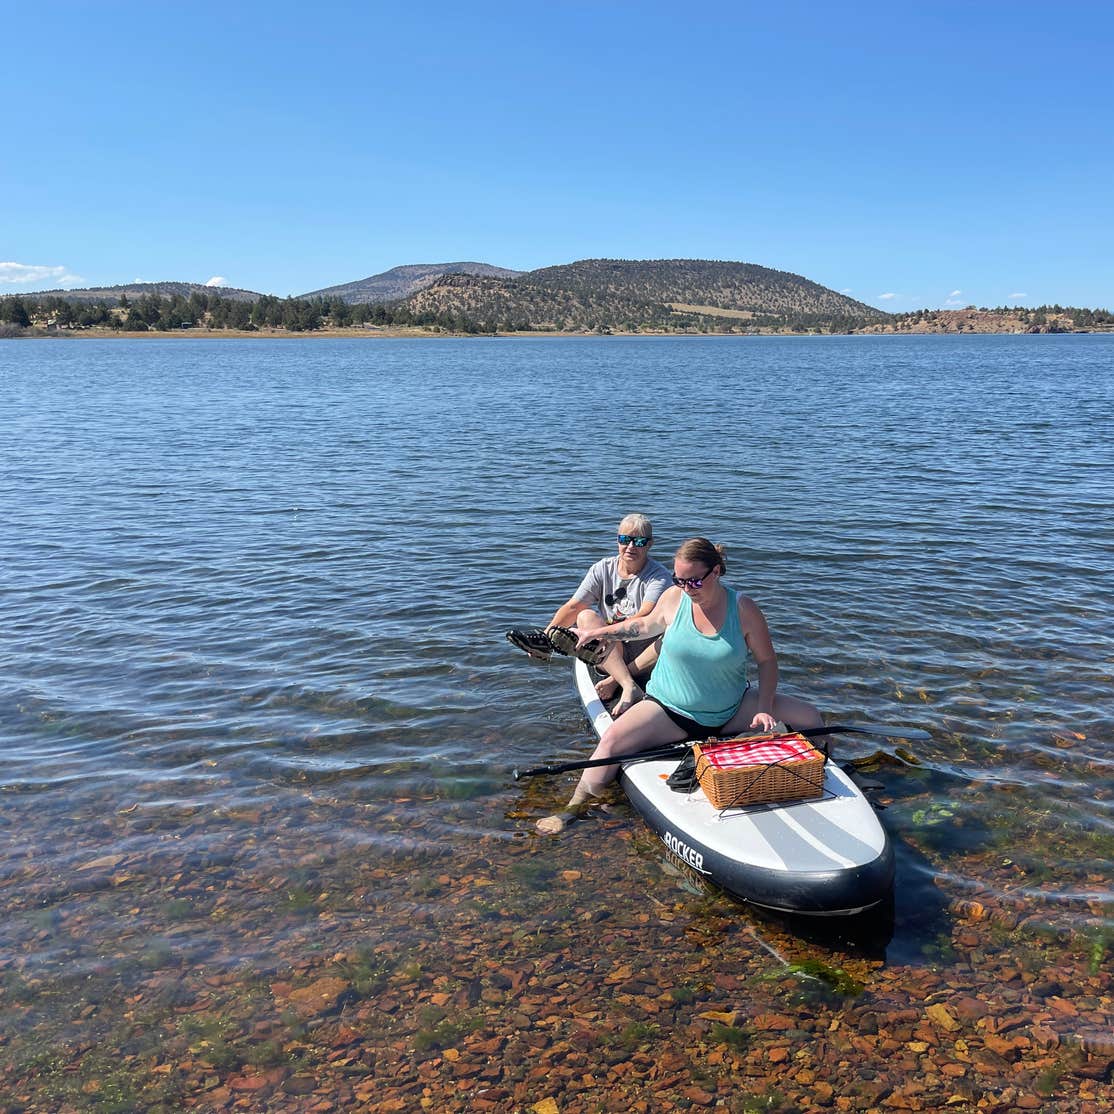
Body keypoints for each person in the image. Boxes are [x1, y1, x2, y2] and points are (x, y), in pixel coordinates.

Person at [536, 536, 823, 834]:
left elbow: (767, 662)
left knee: (811, 717)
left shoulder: (744, 609)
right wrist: (601, 632)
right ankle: (573, 809)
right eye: (679, 580)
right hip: (670, 711)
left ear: (716, 572)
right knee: (610, 743)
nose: (687, 589)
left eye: (694, 582)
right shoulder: (674, 598)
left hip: (732, 708)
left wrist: (764, 709)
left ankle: (828, 777)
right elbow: (644, 626)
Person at [506, 514, 672, 716]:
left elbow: (644, 617)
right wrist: (546, 637)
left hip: (644, 649)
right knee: (585, 616)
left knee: (671, 633)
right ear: (617, 540)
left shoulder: (659, 576)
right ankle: (627, 683)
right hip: (611, 648)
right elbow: (574, 606)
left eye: (639, 541)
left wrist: (604, 634)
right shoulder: (603, 568)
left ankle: (622, 682)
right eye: (624, 540)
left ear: (650, 544)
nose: (631, 547)